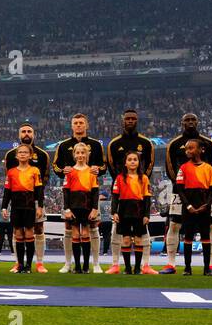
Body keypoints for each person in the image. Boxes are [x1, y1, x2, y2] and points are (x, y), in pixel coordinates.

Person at [52, 113, 106, 273]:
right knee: (69, 230)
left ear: (86, 125)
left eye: (81, 122)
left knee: (93, 229)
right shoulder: (63, 145)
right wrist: (63, 170)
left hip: (90, 194)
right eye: (75, 123)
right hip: (72, 194)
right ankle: (68, 263)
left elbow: (104, 166)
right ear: (72, 125)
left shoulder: (96, 145)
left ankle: (95, 263)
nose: (78, 125)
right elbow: (55, 166)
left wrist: (98, 169)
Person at [106, 110, 157, 273]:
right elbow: (111, 164)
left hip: (139, 205)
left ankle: (144, 266)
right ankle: (117, 265)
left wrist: (141, 178)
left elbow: (150, 163)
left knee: (142, 237)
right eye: (127, 118)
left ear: (137, 120)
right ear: (123, 120)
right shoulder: (114, 143)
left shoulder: (146, 142)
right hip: (123, 203)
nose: (130, 121)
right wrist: (122, 178)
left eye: (133, 118)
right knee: (122, 236)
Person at [3, 124, 53, 273]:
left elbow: (45, 177)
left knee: (38, 229)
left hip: (33, 200)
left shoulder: (43, 155)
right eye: (23, 131)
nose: (26, 134)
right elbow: (9, 183)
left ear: (34, 134)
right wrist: (6, 205)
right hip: (17, 202)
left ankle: (39, 263)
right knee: (17, 232)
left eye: (29, 131)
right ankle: (18, 263)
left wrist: (39, 202)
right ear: (19, 135)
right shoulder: (10, 155)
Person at [176, 139, 212, 275]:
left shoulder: (208, 168)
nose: (188, 151)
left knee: (206, 236)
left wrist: (207, 205)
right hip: (189, 206)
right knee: (188, 236)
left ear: (201, 150)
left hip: (204, 206)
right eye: (186, 148)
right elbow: (180, 189)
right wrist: (188, 206)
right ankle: (187, 268)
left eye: (191, 148)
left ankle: (207, 268)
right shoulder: (183, 168)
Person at [3, 144, 43, 274]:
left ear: (30, 155)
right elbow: (7, 192)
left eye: (25, 152)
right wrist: (4, 207)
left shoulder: (35, 171)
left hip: (29, 206)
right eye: (20, 152)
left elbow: (39, 191)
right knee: (18, 234)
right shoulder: (11, 172)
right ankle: (20, 265)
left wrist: (40, 207)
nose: (22, 154)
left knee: (30, 234)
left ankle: (28, 266)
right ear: (16, 155)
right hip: (16, 206)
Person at [111, 151, 151, 275]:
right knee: (126, 240)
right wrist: (114, 212)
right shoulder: (119, 178)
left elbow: (147, 198)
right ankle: (128, 268)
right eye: (130, 159)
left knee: (139, 240)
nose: (132, 161)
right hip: (124, 210)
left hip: (139, 210)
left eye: (135, 159)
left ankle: (138, 268)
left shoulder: (144, 178)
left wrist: (146, 214)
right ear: (125, 163)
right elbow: (115, 196)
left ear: (139, 163)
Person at [62, 142, 100, 273]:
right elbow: (66, 192)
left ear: (87, 154)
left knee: (85, 233)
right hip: (73, 207)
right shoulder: (69, 171)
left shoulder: (92, 171)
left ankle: (86, 266)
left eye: (83, 153)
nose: (80, 155)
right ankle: (77, 266)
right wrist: (66, 209)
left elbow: (95, 192)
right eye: (77, 153)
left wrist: (95, 209)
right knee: (75, 234)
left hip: (87, 206)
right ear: (74, 155)